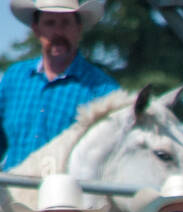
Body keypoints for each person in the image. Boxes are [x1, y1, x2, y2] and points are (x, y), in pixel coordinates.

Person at [0, 0, 117, 170]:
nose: (58, 32)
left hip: (66, 193)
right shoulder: (14, 78)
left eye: (65, 23)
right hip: (12, 189)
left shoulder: (103, 90)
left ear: (79, 28)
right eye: (50, 23)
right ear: (36, 29)